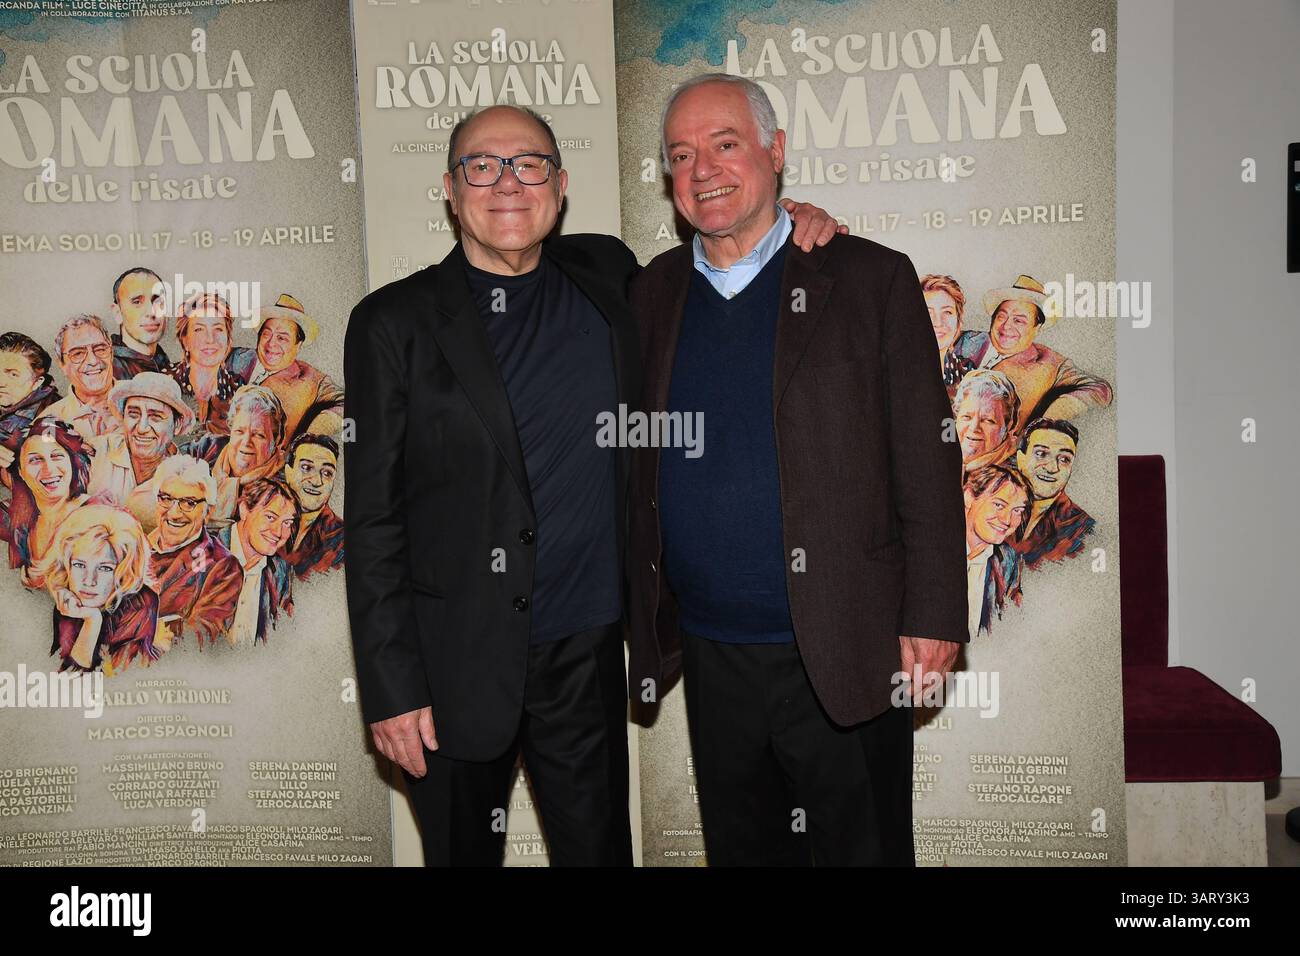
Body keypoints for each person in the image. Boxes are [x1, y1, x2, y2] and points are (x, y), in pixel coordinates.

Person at [344, 102, 841, 867]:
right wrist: (391, 688)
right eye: (483, 165)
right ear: (450, 188)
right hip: (451, 671)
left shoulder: (609, 276)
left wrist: (790, 217)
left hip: (585, 658)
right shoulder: (391, 324)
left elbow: (724, 262)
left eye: (530, 164)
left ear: (561, 184)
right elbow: (373, 521)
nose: (507, 182)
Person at [625, 73, 967, 866]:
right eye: (680, 154)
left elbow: (926, 453)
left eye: (725, 144)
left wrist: (938, 612)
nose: (702, 168)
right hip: (710, 655)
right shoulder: (649, 292)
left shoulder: (869, 278)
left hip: (848, 645)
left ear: (776, 152)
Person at [951, 274, 1113, 431]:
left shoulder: (1051, 363)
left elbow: (1101, 389)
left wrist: (1053, 416)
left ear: (1037, 328)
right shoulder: (964, 340)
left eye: (1019, 320)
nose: (1006, 326)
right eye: (1002, 316)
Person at [27, 503, 160, 674]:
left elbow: (111, 680)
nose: (89, 581)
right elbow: (62, 675)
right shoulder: (69, 599)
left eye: (105, 568)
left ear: (125, 572)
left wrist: (92, 620)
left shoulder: (141, 603)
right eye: (79, 565)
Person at [144, 454, 243, 651]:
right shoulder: (132, 548)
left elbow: (199, 639)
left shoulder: (222, 567)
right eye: (166, 499)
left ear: (209, 511)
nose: (173, 513)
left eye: (189, 503)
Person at [4, 417, 105, 577]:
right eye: (35, 460)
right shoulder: (21, 520)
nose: (49, 470)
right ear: (21, 472)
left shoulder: (98, 518)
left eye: (57, 456)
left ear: (72, 463)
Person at [87, 372, 194, 512]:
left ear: (177, 424)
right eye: (133, 414)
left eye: (155, 417)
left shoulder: (187, 476)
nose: (142, 428)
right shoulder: (97, 452)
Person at [247, 294, 345, 444]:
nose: (271, 344)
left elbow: (351, 405)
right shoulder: (237, 359)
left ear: (298, 345)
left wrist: (316, 431)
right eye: (266, 334)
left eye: (282, 338)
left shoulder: (313, 379)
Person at [165, 291, 256, 444]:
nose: (210, 339)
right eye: (199, 329)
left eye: (218, 329)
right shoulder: (165, 383)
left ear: (228, 340)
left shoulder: (240, 391)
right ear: (185, 340)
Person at [216, 477, 296, 646]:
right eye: (270, 517)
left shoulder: (281, 570)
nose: (278, 532)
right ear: (244, 509)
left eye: (287, 523)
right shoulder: (207, 552)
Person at [1009, 418, 1095, 570]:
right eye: (1041, 453)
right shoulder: (994, 508)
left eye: (1064, 459)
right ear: (1020, 460)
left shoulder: (1082, 530)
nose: (1052, 468)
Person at [962, 464, 1032, 637]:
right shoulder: (930, 548)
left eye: (1017, 511)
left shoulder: (1007, 560)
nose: (1007, 520)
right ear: (969, 496)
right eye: (999, 505)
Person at [0, 332, 61, 490]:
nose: (1, 382)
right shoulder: (9, 407)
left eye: (13, 374)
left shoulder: (52, 418)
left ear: (37, 382)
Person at [44, 315, 122, 439]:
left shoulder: (145, 399)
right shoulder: (48, 423)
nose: (93, 360)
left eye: (100, 349)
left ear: (111, 353)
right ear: (62, 365)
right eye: (78, 353)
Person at [279, 434, 343, 580]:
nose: (316, 481)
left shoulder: (341, 541)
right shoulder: (265, 520)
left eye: (327, 473)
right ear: (288, 472)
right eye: (307, 468)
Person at [952, 368, 1021, 474]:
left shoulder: (1011, 480)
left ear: (1008, 426)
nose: (974, 428)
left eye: (988, 420)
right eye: (966, 417)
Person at [110, 267, 172, 379]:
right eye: (137, 302)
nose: (151, 312)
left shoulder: (166, 365)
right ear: (117, 313)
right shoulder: (107, 371)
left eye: (158, 301)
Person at [922, 273, 976, 401]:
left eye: (947, 312)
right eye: (927, 313)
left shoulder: (968, 373)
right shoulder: (896, 373)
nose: (938, 322)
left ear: (959, 321)